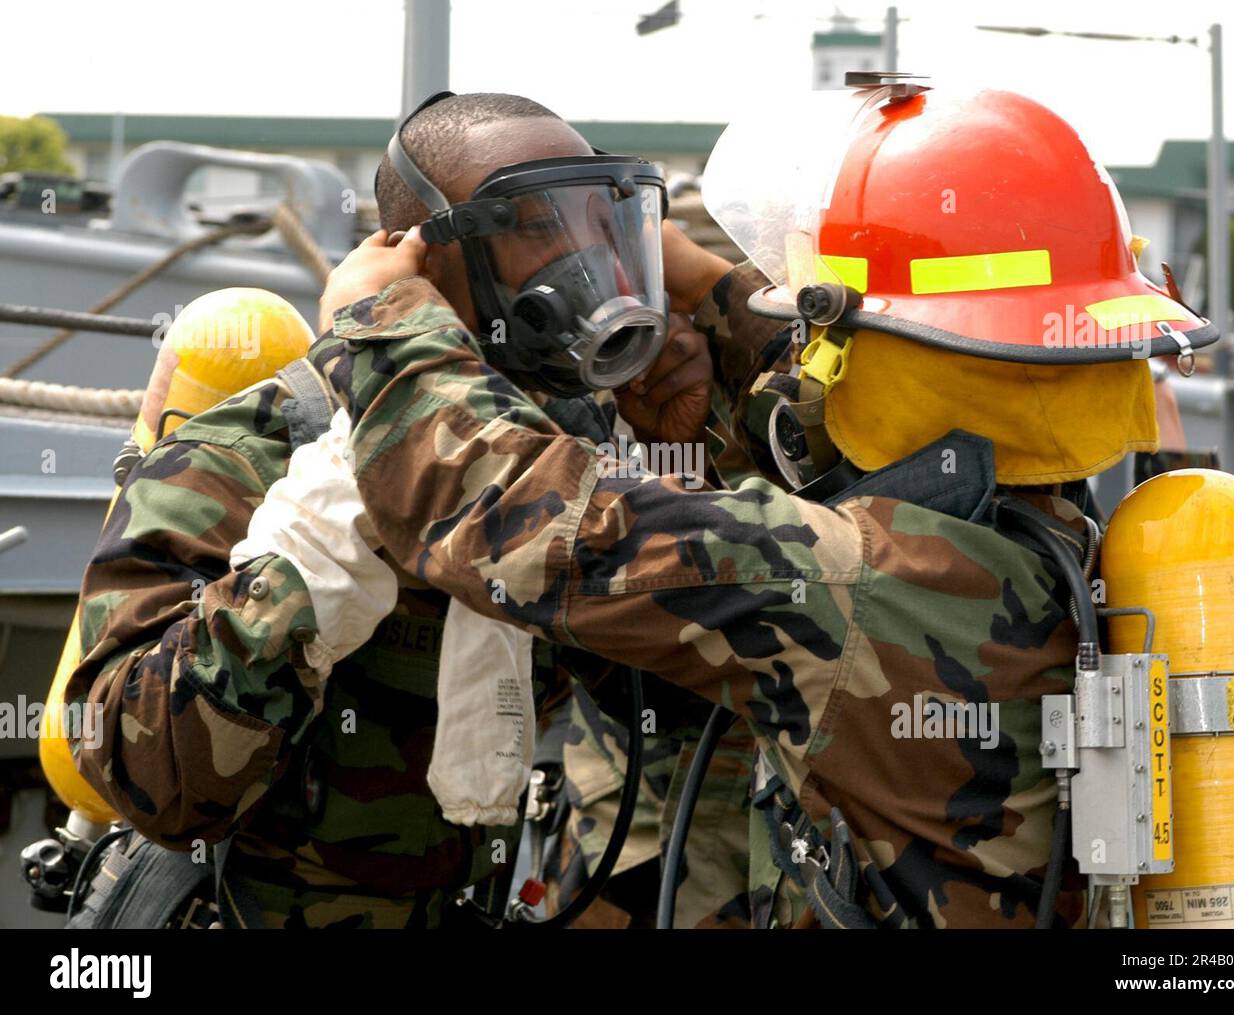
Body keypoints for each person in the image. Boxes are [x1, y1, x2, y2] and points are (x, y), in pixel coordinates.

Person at [291, 84, 1219, 928]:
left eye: (821, 329)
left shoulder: (850, 578)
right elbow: (855, 425)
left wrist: (382, 327)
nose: (807, 351)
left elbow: (509, 514)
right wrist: (705, 290)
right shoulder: (1051, 524)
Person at [63, 92, 766, 928]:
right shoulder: (258, 457)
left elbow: (692, 698)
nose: (588, 264)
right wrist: (307, 565)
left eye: (602, 225)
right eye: (540, 227)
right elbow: (152, 777)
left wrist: (703, 444)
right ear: (429, 260)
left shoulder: (554, 458)